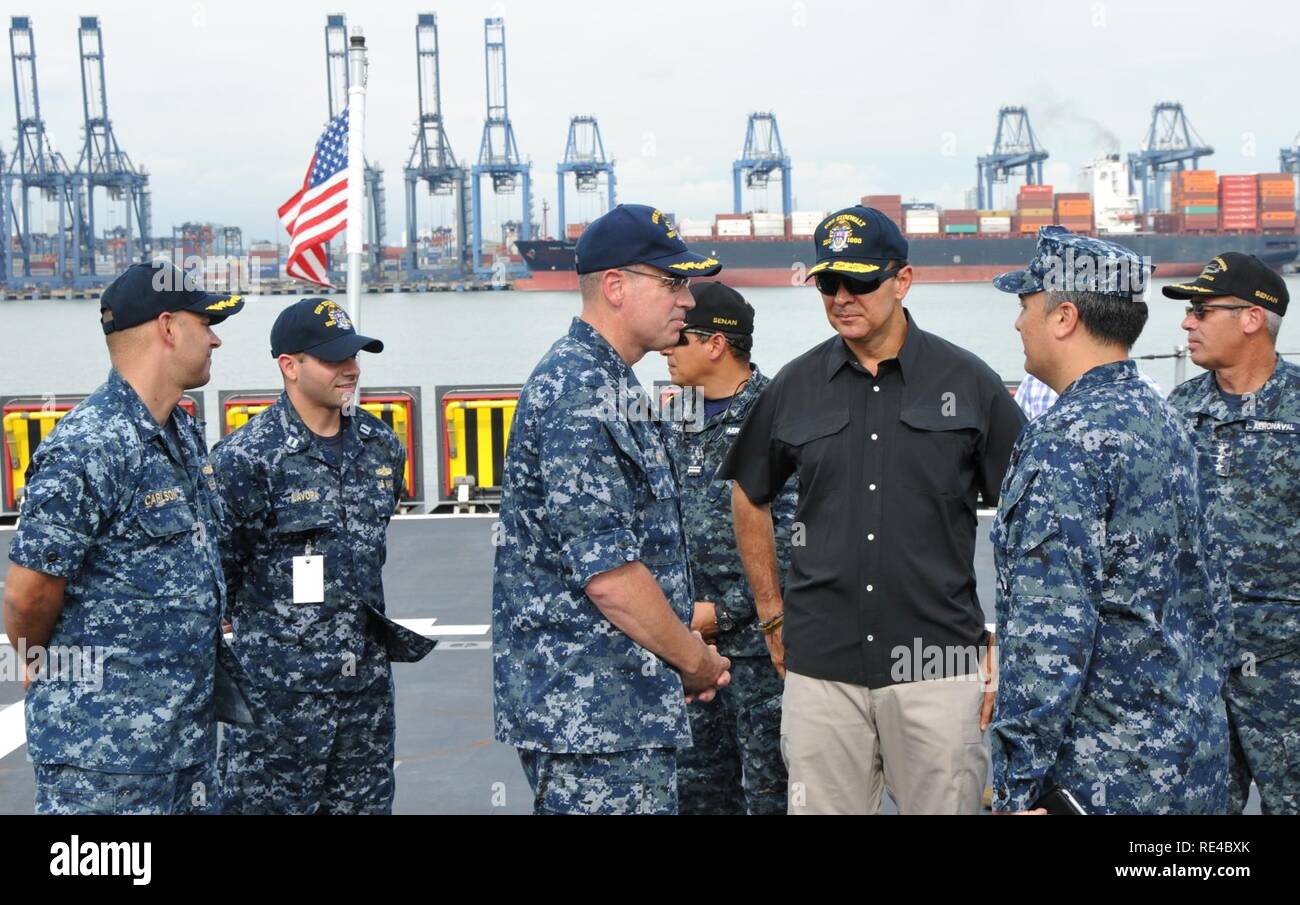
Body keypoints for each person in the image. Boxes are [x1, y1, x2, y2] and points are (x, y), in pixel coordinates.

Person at [721, 205, 1026, 815]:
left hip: (938, 669)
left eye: (859, 281)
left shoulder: (969, 382)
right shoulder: (795, 385)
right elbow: (747, 492)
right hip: (822, 674)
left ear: (903, 280)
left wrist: (1005, 638)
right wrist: (772, 612)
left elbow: (1029, 517)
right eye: (828, 283)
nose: (841, 297)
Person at [493, 203, 732, 815]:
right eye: (673, 282)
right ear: (616, 287)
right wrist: (695, 662)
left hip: (616, 710)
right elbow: (611, 579)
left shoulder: (610, 383)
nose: (688, 299)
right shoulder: (578, 393)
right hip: (592, 717)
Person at [988, 226, 1230, 815]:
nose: (1018, 323)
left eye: (1025, 305)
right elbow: (1209, 593)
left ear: (1064, 316)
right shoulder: (1165, 416)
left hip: (1098, 780)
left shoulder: (1065, 441)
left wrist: (1018, 788)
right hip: (1188, 758)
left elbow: (1051, 636)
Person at [2, 261, 246, 814]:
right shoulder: (90, 444)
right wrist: (41, 659)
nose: (216, 337)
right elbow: (27, 594)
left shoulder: (180, 431)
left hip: (184, 746)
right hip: (104, 758)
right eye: (204, 322)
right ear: (167, 328)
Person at [213, 297, 432, 814]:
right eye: (335, 359)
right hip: (276, 706)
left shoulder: (381, 447)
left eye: (355, 356)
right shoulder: (246, 459)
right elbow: (219, 573)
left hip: (365, 698)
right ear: (290, 366)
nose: (351, 370)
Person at [1163, 253, 1298, 815]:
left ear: (1251, 319)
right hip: (1196, 665)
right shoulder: (1176, 410)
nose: (1187, 322)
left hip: (1288, 667)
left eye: (1202, 310)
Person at [660, 281, 794, 815]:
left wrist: (722, 614)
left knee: (771, 794)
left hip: (764, 655)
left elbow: (797, 539)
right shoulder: (668, 420)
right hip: (685, 652)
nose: (667, 348)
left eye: (681, 339)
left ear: (716, 344)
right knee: (696, 795)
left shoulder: (780, 419)